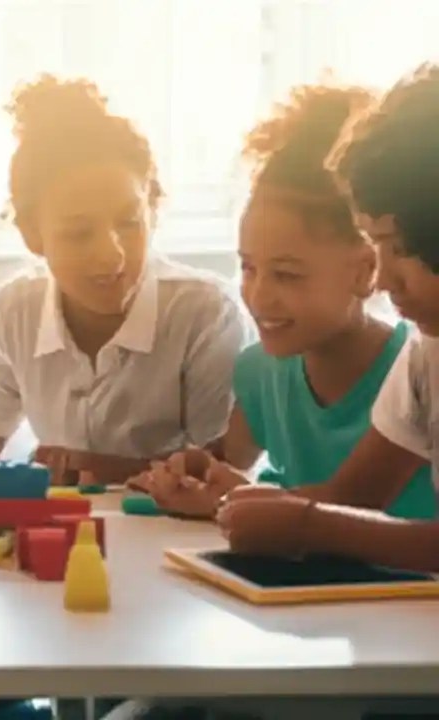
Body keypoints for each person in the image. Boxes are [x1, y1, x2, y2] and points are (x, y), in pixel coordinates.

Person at [137, 82, 434, 520]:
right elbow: (344, 499)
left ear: (362, 270)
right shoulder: (263, 373)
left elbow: (355, 511)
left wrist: (277, 515)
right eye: (248, 267)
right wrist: (210, 483)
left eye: (287, 275)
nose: (257, 296)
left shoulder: (411, 362)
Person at [0, 75, 247, 486]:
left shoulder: (204, 313)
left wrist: (96, 469)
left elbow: (221, 469)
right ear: (31, 233)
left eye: (130, 222)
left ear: (152, 208)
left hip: (174, 533)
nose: (112, 253)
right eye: (79, 233)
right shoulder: (11, 311)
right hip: (66, 533)